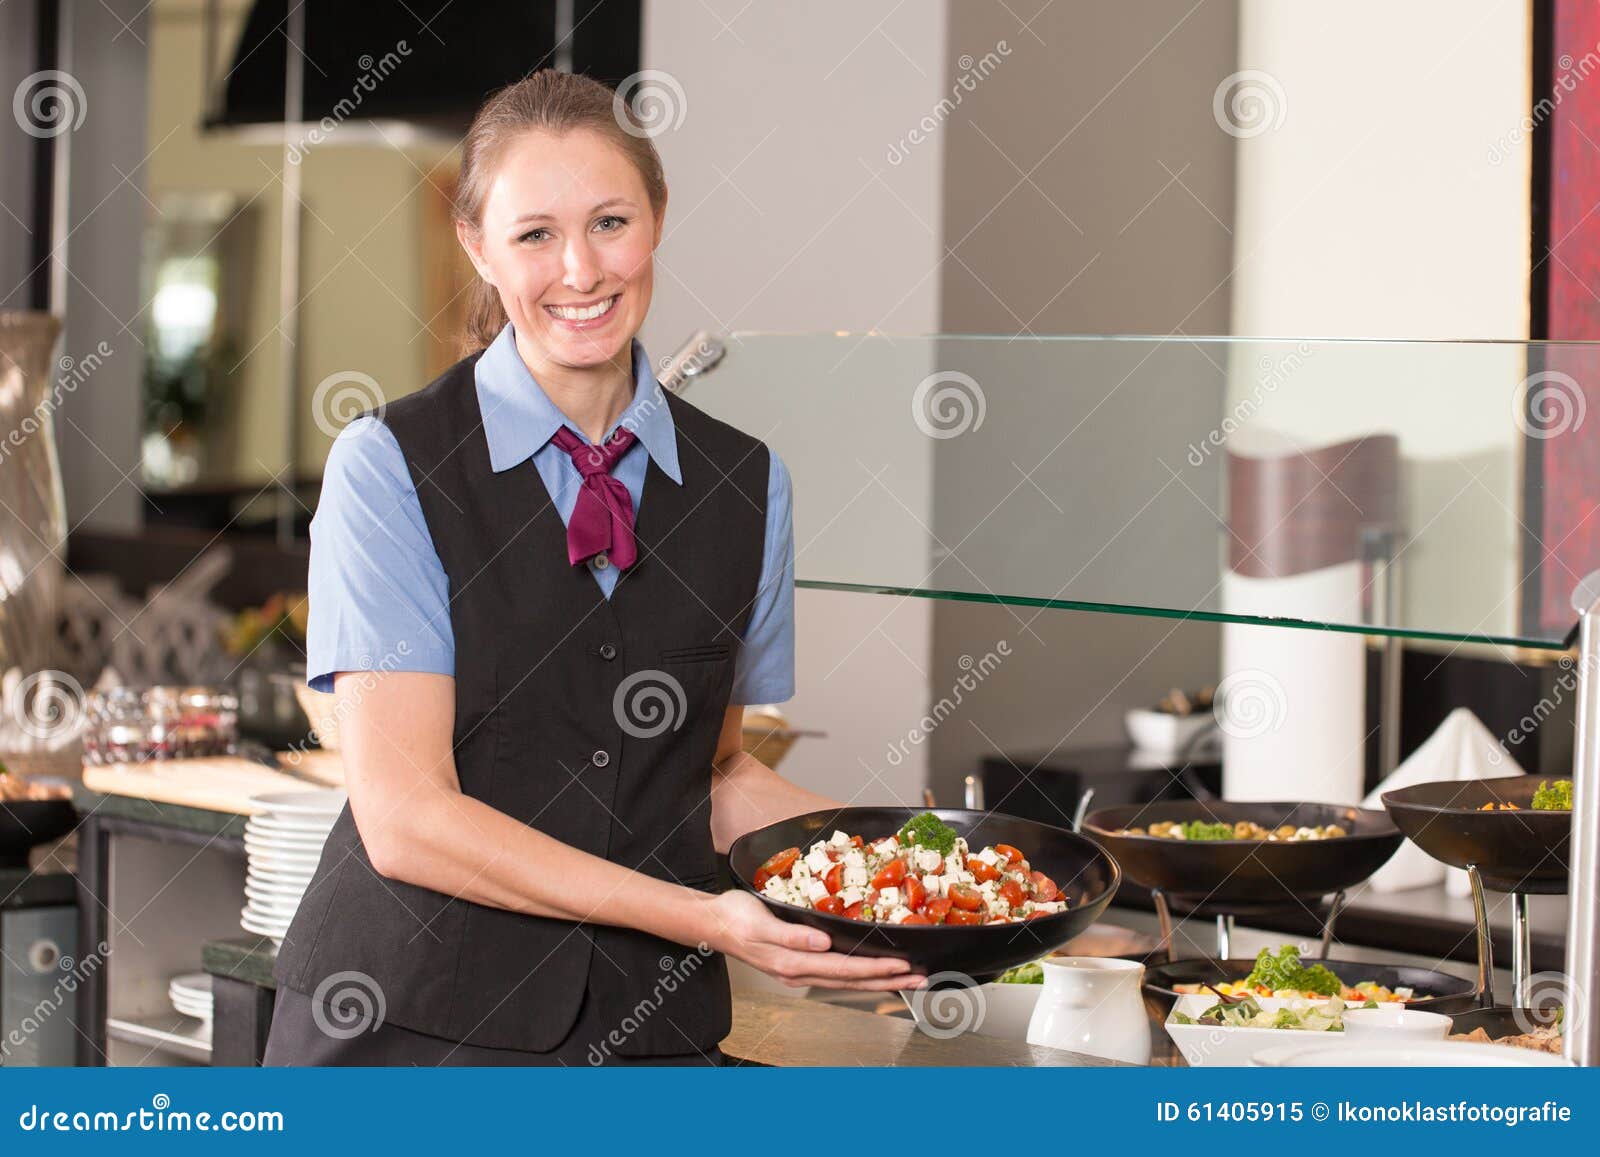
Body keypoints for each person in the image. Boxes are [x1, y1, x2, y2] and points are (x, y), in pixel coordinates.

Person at [262, 70, 924, 1067]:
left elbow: (710, 771)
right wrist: (705, 918)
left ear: (657, 218)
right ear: (477, 246)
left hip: (649, 1035)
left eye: (610, 222)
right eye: (535, 234)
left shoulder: (747, 482)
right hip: (408, 1031)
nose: (580, 269)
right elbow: (406, 820)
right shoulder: (390, 466)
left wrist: (919, 870)